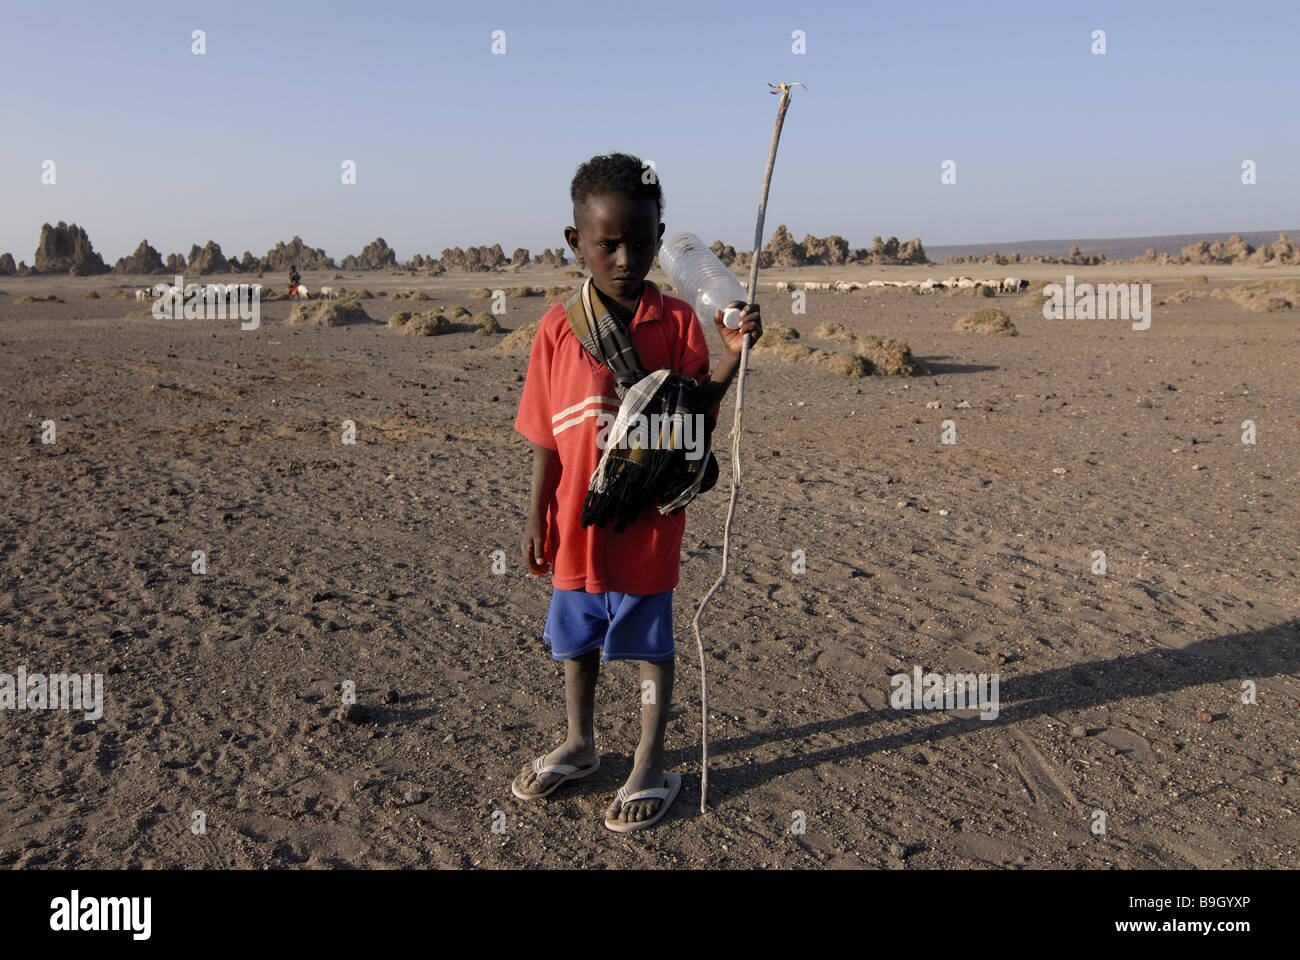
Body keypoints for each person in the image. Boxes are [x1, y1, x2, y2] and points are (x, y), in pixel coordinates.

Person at [511, 152, 761, 831]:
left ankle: (651, 758)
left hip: (648, 520)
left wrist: (731, 355)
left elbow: (697, 416)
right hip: (574, 522)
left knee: (649, 640)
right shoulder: (558, 328)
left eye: (642, 243)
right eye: (607, 244)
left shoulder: (679, 322)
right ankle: (580, 742)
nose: (626, 258)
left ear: (661, 238)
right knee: (575, 636)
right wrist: (536, 511)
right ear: (576, 244)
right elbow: (543, 431)